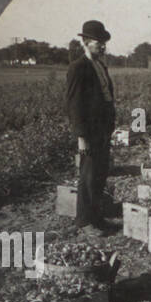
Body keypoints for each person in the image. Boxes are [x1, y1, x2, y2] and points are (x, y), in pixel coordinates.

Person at [64, 19, 117, 232]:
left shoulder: (100, 66)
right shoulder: (78, 68)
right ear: (85, 42)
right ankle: (84, 222)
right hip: (90, 132)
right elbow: (74, 104)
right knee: (88, 176)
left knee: (99, 175)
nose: (102, 46)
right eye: (98, 42)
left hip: (103, 130)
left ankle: (97, 218)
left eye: (104, 42)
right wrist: (81, 136)